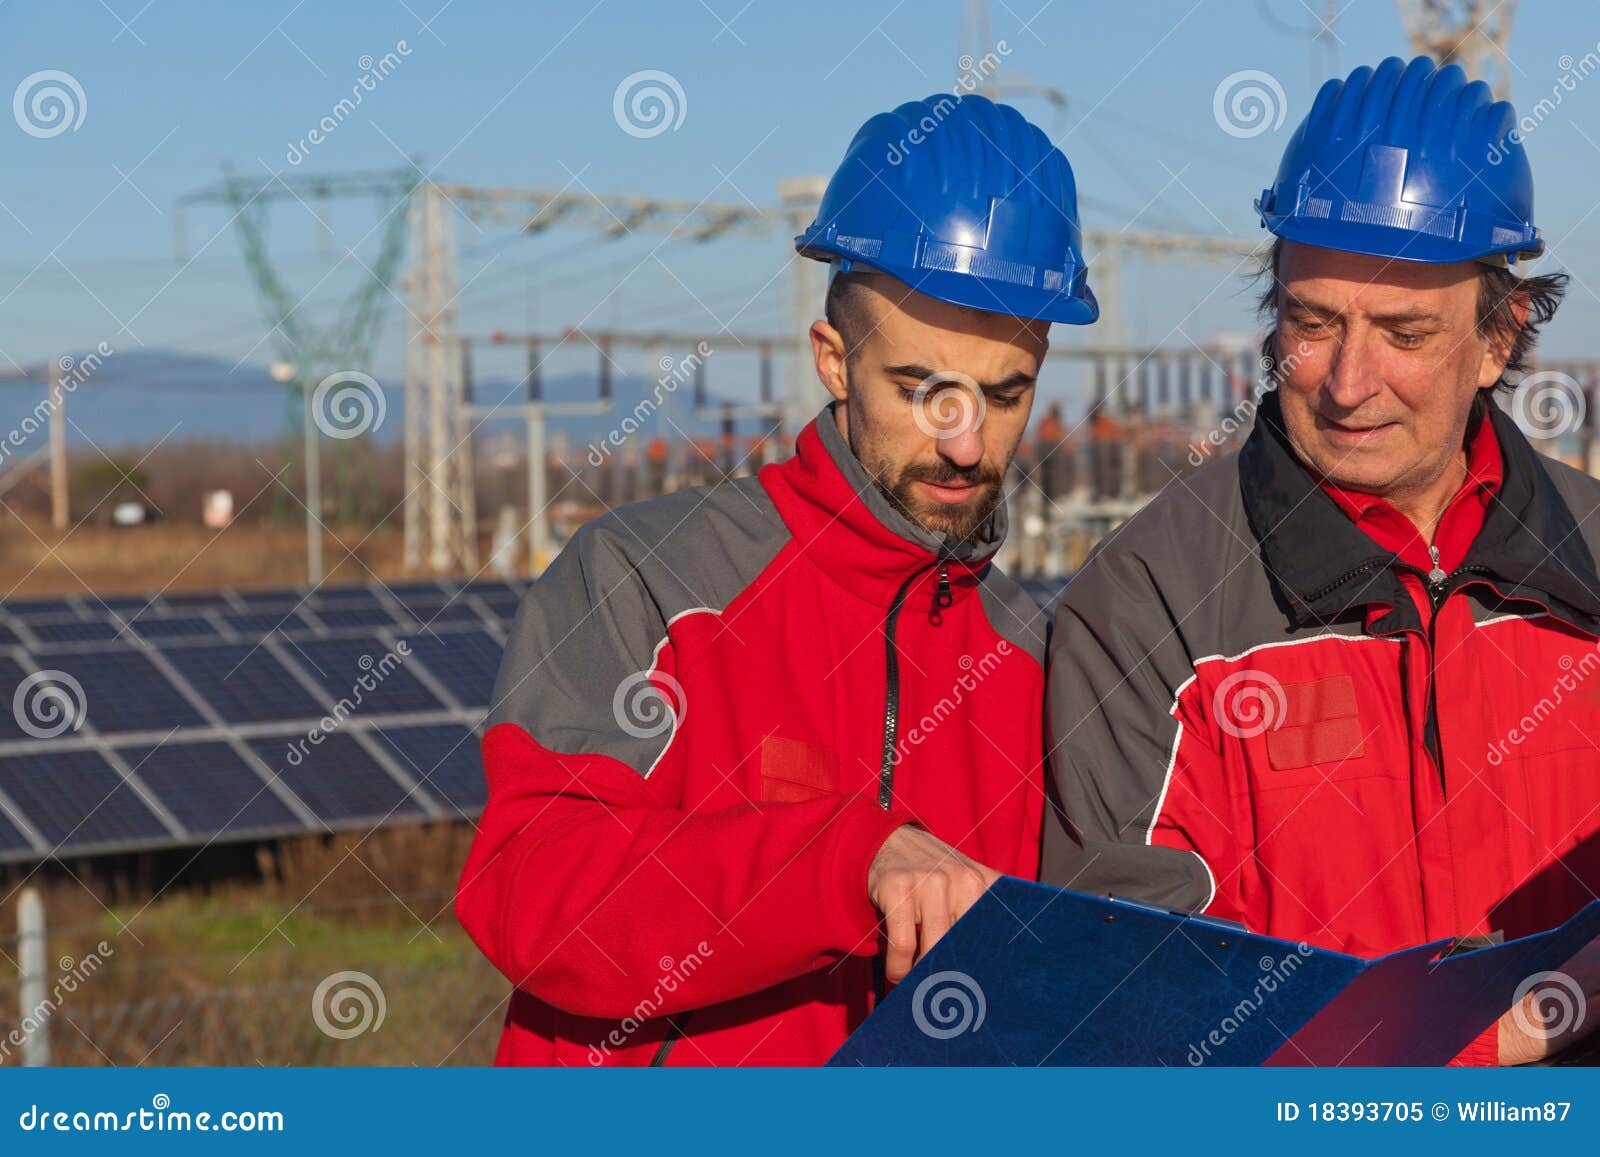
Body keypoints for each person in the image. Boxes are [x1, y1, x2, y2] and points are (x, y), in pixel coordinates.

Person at [457, 92, 1096, 1066]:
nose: (966, 442)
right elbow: (533, 891)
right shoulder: (648, 580)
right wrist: (844, 860)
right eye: (921, 389)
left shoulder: (1036, 662)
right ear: (833, 361)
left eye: (1005, 396)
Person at [1041, 56, 1600, 1065]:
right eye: (1312, 323)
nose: (1346, 382)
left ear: (1497, 338)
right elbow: (1129, 1015)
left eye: (1402, 333)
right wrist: (1490, 1042)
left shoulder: (1589, 557)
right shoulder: (1147, 602)